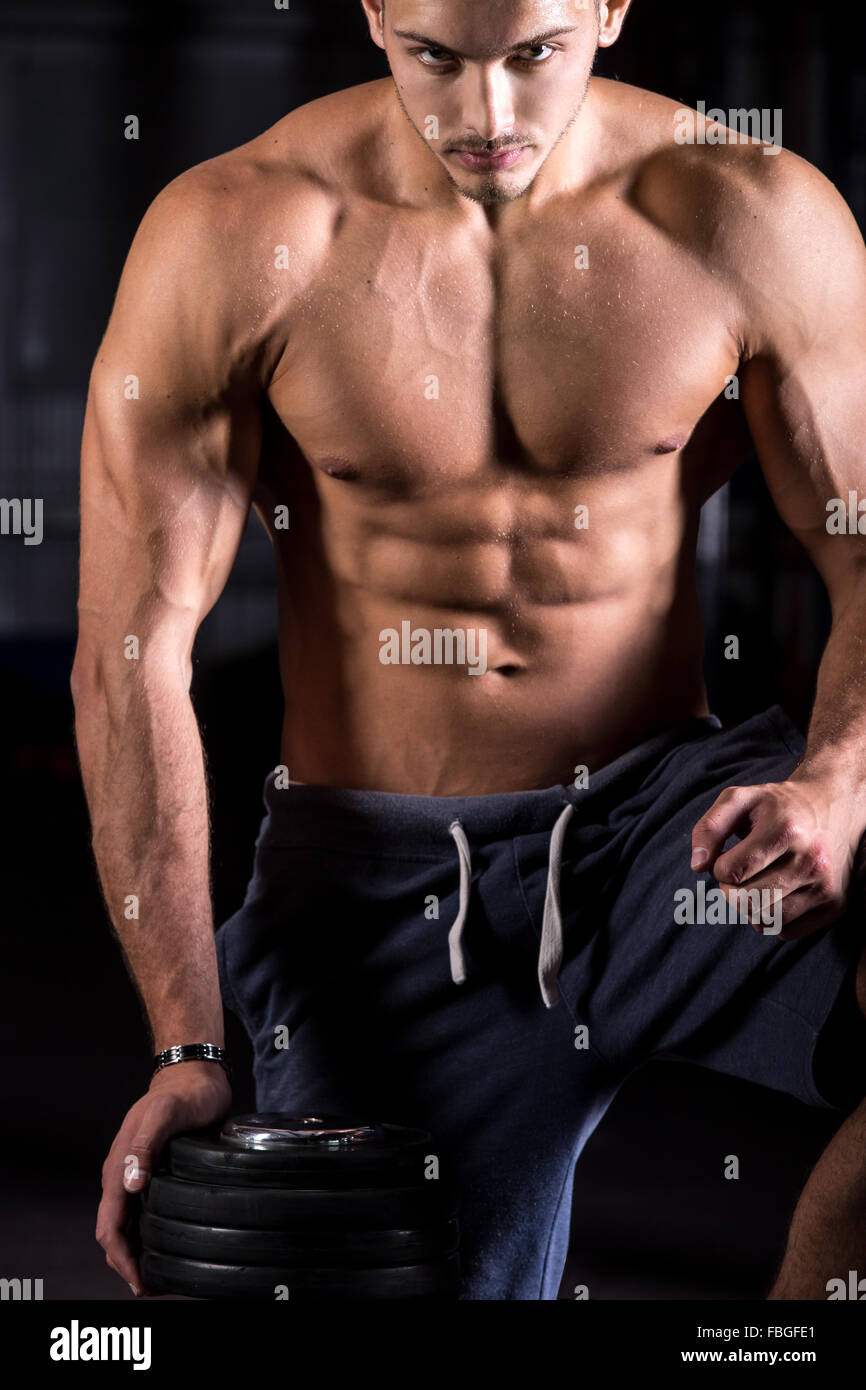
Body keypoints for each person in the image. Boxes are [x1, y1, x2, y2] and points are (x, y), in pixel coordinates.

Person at [73, 0, 866, 1300]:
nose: (485, 116)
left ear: (608, 9)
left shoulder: (748, 217)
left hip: (674, 839)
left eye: (531, 55)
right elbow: (130, 654)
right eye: (435, 58)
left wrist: (835, 782)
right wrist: (183, 1042)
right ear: (377, 10)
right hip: (377, 897)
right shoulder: (237, 233)